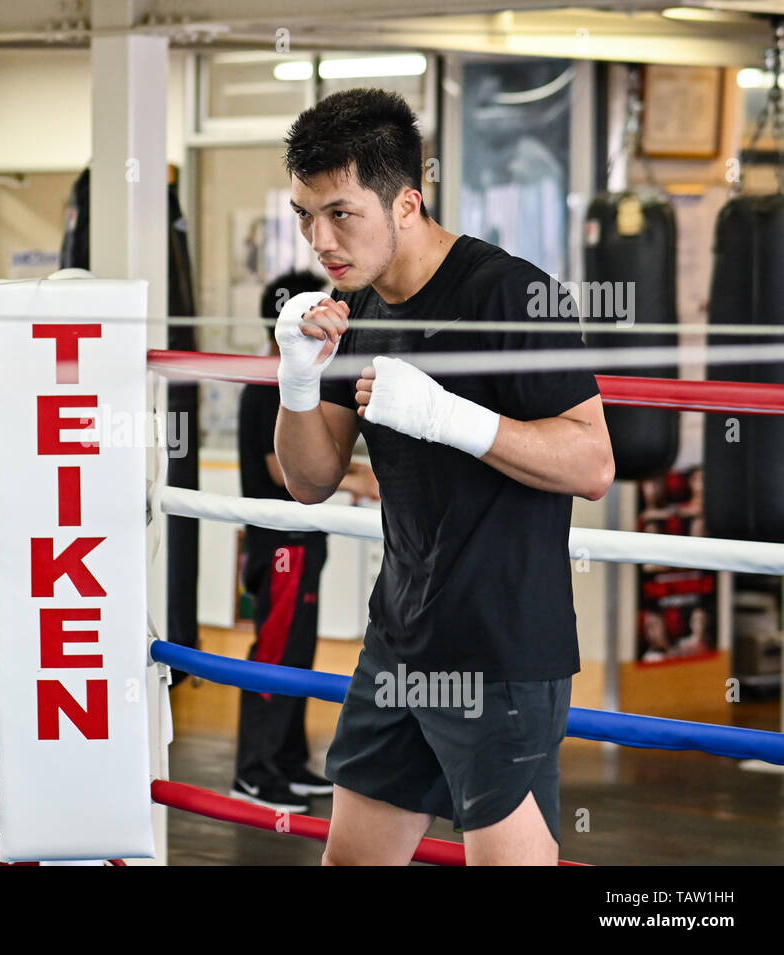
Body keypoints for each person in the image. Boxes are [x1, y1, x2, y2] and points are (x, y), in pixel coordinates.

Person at [272, 89, 614, 865]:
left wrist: (453, 417)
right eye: (303, 215)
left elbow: (594, 463)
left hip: (499, 649)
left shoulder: (510, 296)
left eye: (340, 213)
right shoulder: (354, 309)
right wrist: (295, 381)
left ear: (406, 202)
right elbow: (310, 479)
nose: (319, 239)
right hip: (399, 640)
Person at [232, 270, 380, 813]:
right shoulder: (267, 381)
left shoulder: (306, 376)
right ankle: (254, 772)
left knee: (298, 655)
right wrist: (362, 479)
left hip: (302, 539)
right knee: (275, 653)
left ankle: (288, 762)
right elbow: (283, 468)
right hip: (281, 544)